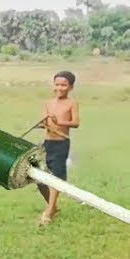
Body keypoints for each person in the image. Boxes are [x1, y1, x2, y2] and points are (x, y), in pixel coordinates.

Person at [36, 70, 80, 225]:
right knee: (39, 177)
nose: (60, 88)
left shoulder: (72, 104)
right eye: (57, 84)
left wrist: (59, 122)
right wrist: (43, 124)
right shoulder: (48, 103)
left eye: (64, 85)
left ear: (70, 87)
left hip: (61, 143)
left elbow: (75, 123)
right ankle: (52, 205)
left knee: (55, 177)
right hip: (47, 143)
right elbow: (44, 122)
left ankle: (49, 212)